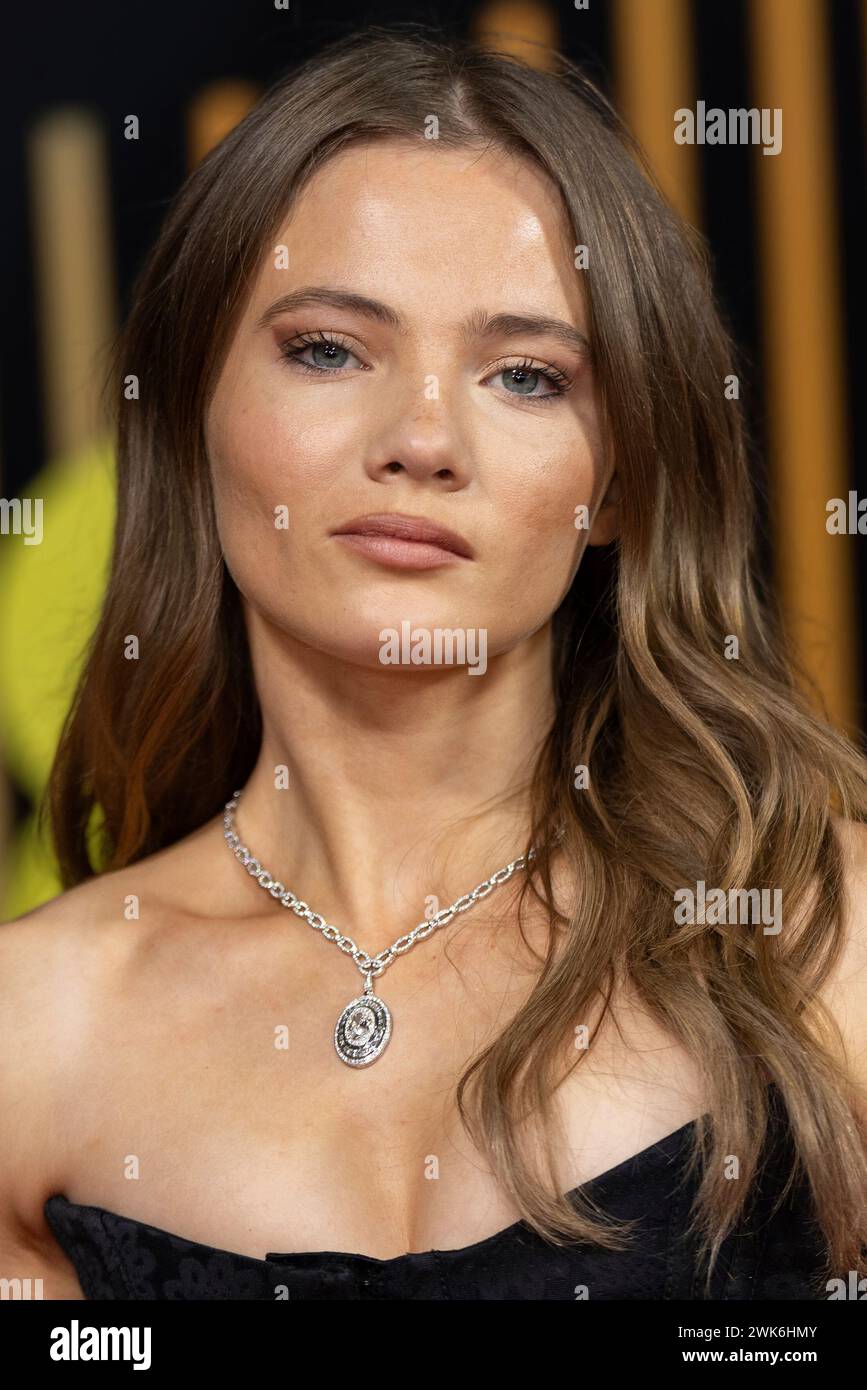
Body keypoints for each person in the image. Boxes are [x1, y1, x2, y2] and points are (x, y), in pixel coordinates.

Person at [2, 25, 865, 1301]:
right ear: (193, 410)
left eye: (525, 376)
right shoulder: (39, 1025)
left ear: (618, 482)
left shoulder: (818, 934)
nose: (421, 438)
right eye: (329, 349)